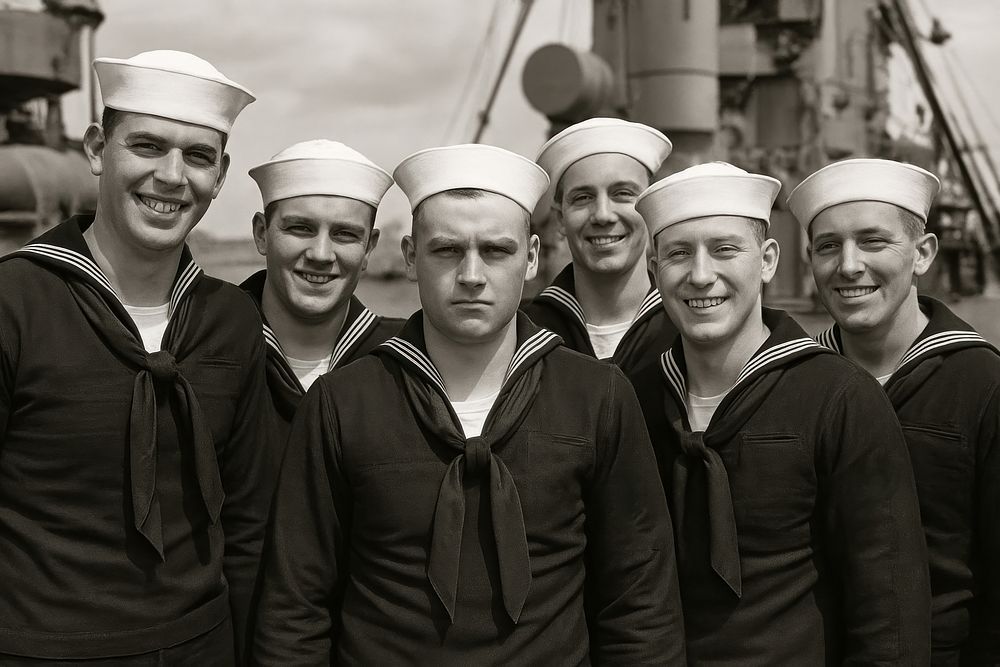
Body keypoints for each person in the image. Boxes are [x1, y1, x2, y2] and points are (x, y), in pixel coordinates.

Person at [254, 143, 685, 664]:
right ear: (410, 256)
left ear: (531, 257)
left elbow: (638, 600)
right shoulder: (342, 403)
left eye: (497, 251)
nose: (472, 275)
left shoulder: (597, 397)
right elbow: (295, 607)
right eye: (447, 250)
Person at [0, 50, 267, 663]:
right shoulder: (15, 303)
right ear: (98, 149)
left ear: (221, 173)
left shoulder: (231, 320)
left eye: (198, 156)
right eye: (147, 146)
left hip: (203, 646)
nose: (172, 176)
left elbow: (248, 520)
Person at [630, 161, 931, 664]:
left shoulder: (837, 399)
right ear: (653, 269)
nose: (701, 275)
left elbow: (889, 604)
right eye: (679, 253)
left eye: (725, 249)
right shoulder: (631, 401)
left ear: (767, 260)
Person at [790, 157, 1000, 663]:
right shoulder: (793, 382)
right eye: (828, 246)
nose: (848, 265)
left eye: (873, 241)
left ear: (922, 253)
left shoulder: (982, 384)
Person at [242, 139, 400, 444]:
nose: (321, 254)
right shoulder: (208, 340)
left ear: (369, 248)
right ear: (262, 234)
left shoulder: (400, 361)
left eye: (345, 234)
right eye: (300, 228)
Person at [523, 117, 677, 373]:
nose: (603, 215)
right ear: (560, 219)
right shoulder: (524, 334)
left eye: (622, 194)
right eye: (583, 198)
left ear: (653, 210)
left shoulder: (686, 328)